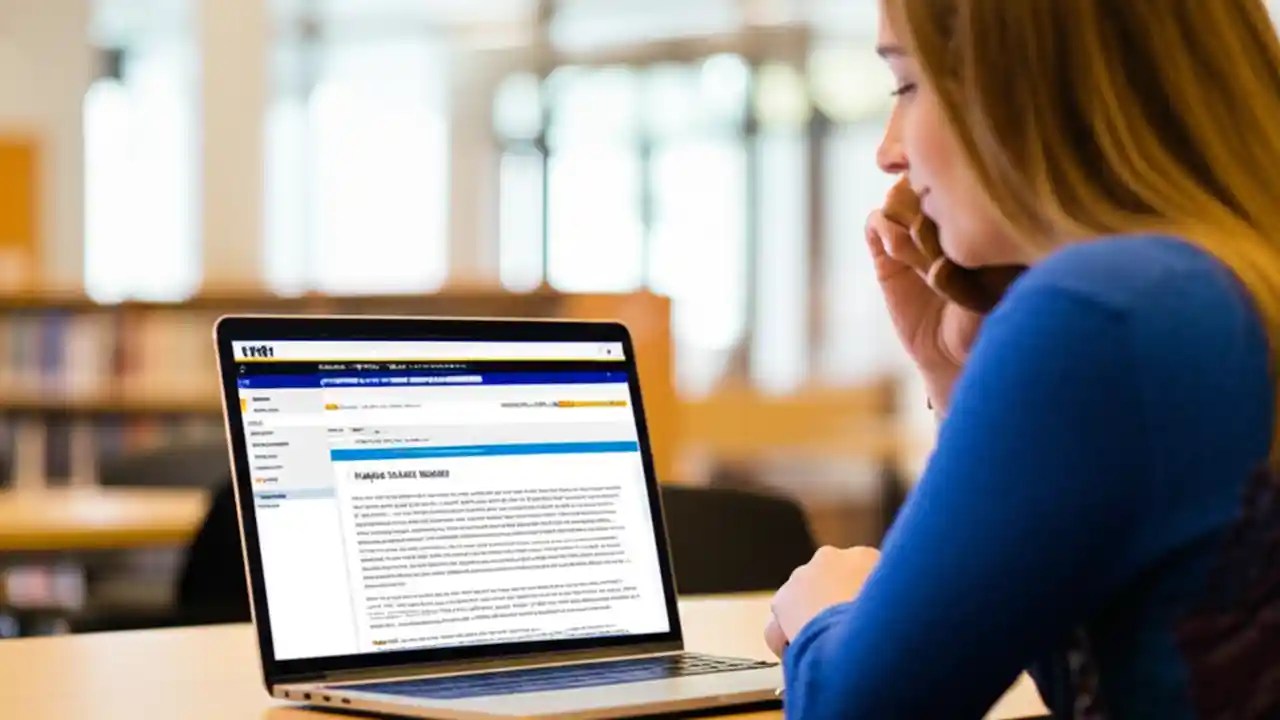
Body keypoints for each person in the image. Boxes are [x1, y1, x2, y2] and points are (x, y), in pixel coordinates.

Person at [763, 1, 1280, 717]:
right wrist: (960, 378)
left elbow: (861, 708)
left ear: (1036, 85)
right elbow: (1086, 666)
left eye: (908, 85)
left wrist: (829, 614)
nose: (889, 150)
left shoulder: (1107, 307)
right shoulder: (1221, 292)